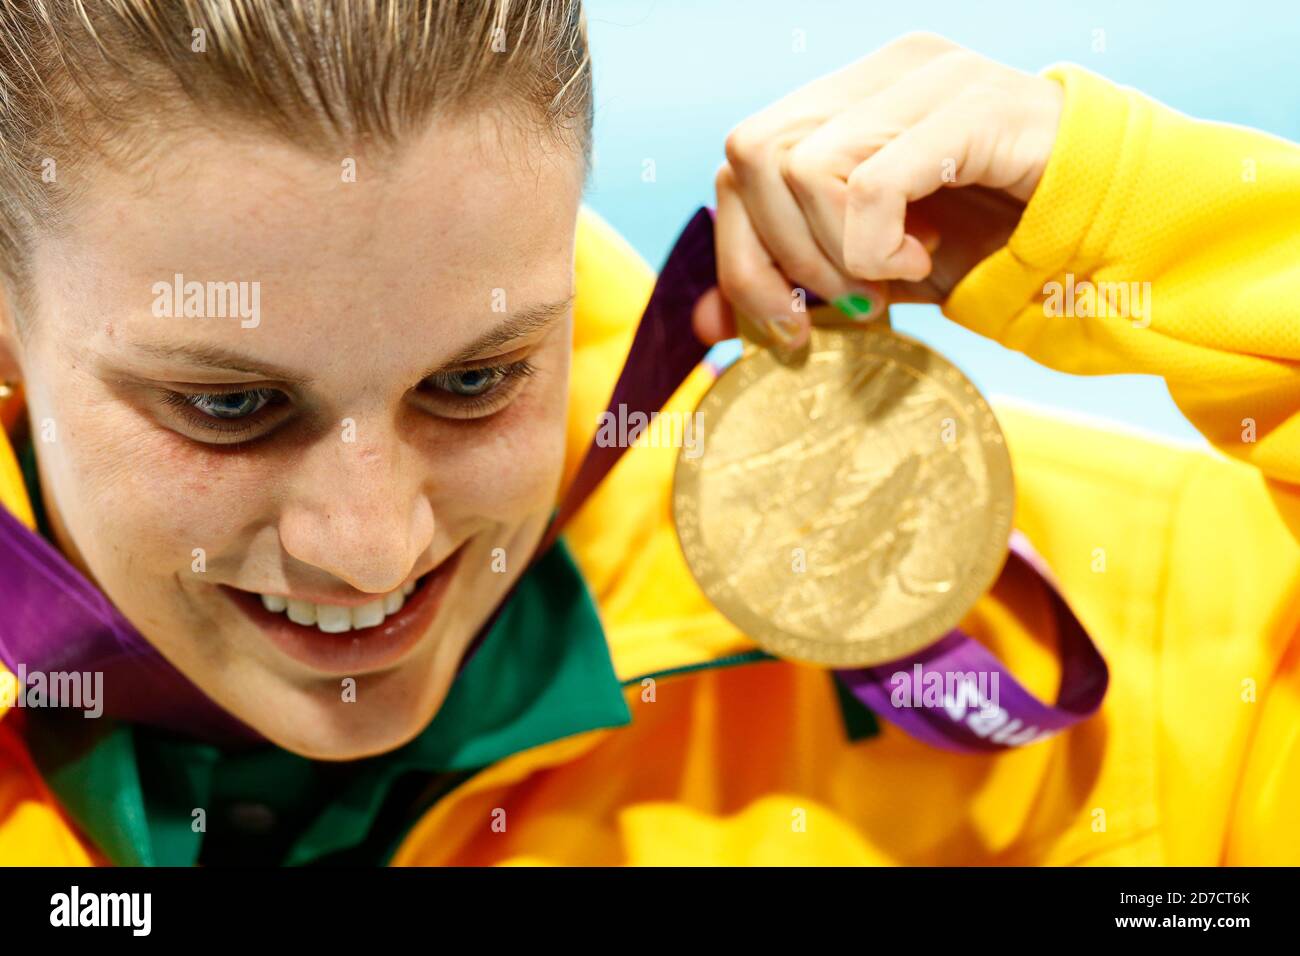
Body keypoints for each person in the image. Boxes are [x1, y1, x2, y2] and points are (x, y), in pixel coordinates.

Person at [0, 3, 1295, 866]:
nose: (371, 548)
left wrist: (1136, 219)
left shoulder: (1093, 605)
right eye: (230, 406)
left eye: (476, 382)